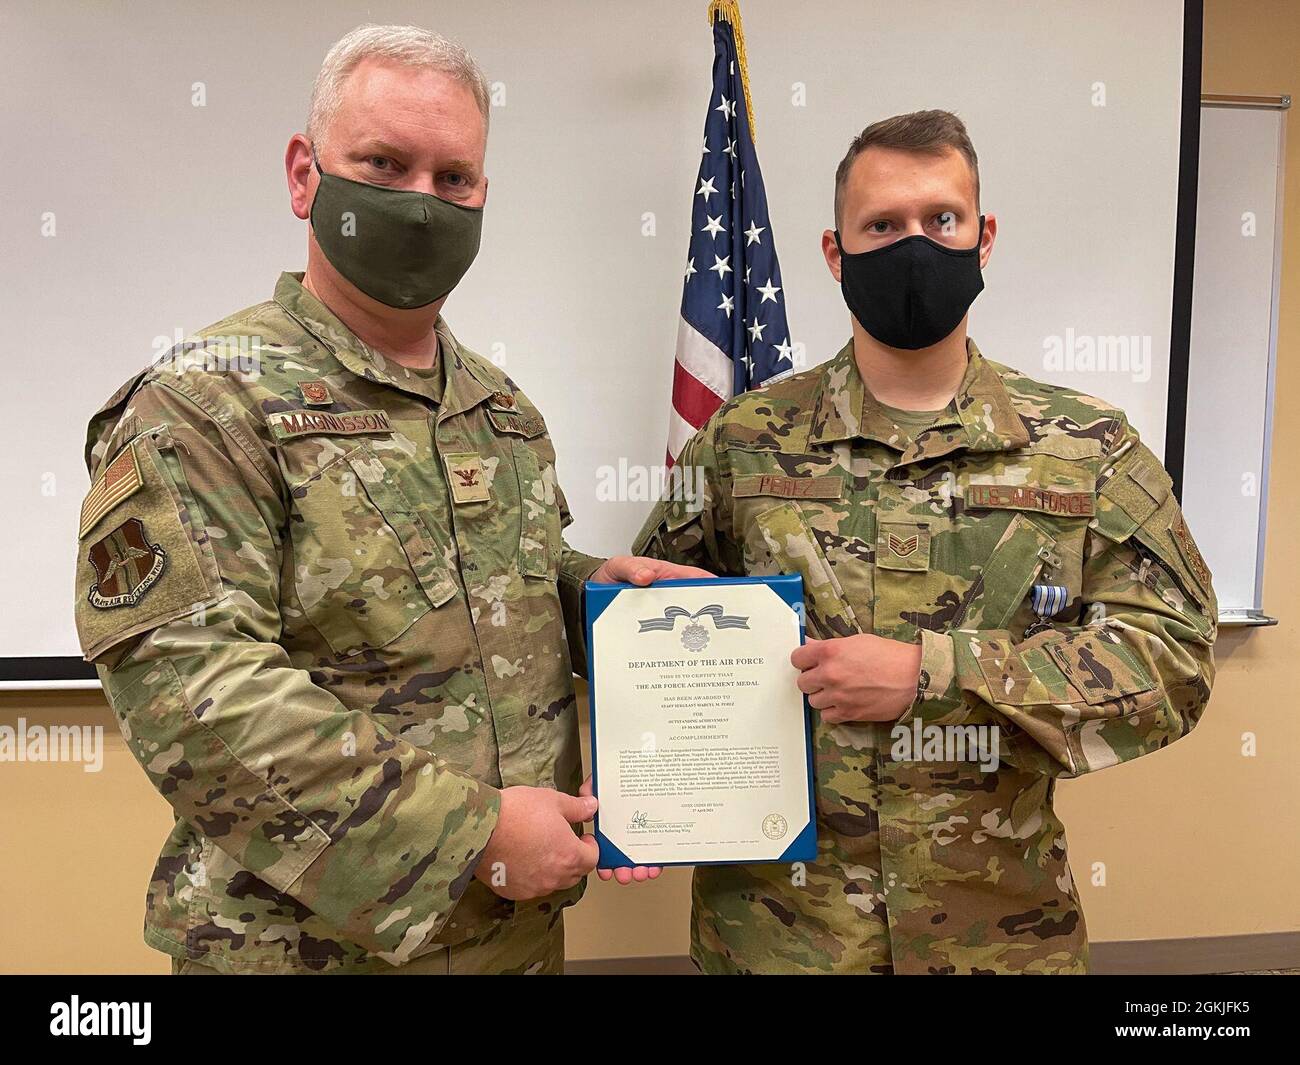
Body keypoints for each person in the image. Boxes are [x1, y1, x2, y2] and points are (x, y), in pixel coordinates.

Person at [73, 23, 696, 975]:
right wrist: (473, 833)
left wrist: (587, 589)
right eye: (383, 164)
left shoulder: (499, 407)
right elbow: (194, 694)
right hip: (307, 950)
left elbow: (494, 590)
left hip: (512, 940)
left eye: (454, 179)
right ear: (303, 174)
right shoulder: (206, 400)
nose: (421, 204)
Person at [633, 109, 1217, 974]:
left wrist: (934, 676)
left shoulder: (1088, 446)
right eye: (882, 225)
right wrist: (651, 797)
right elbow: (649, 628)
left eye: (940, 220)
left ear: (983, 239)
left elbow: (1175, 660)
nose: (914, 245)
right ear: (835, 254)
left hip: (997, 935)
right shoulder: (741, 439)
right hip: (777, 938)